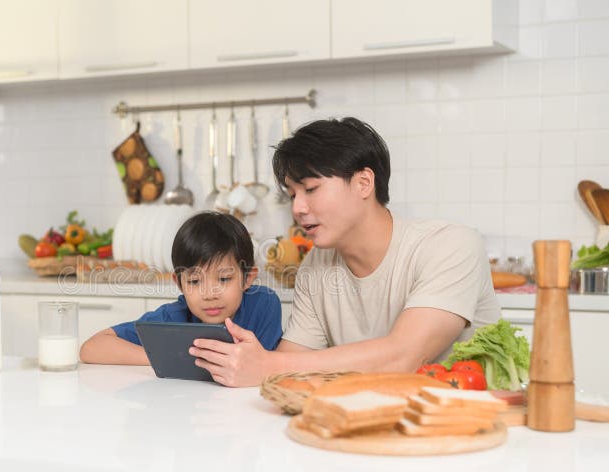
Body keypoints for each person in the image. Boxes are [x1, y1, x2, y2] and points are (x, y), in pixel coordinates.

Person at [189, 117, 501, 387]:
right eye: (292, 195)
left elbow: (404, 356)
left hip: (468, 432)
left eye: (311, 189)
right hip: (366, 425)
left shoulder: (451, 245)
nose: (298, 208)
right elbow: (292, 364)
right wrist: (246, 362)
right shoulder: (316, 265)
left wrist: (267, 365)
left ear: (364, 183)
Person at [79, 211, 282, 367]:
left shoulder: (263, 306)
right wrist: (165, 359)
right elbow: (91, 348)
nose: (209, 294)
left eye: (223, 278)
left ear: (247, 279)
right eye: (194, 281)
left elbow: (267, 366)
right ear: (179, 284)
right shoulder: (174, 317)